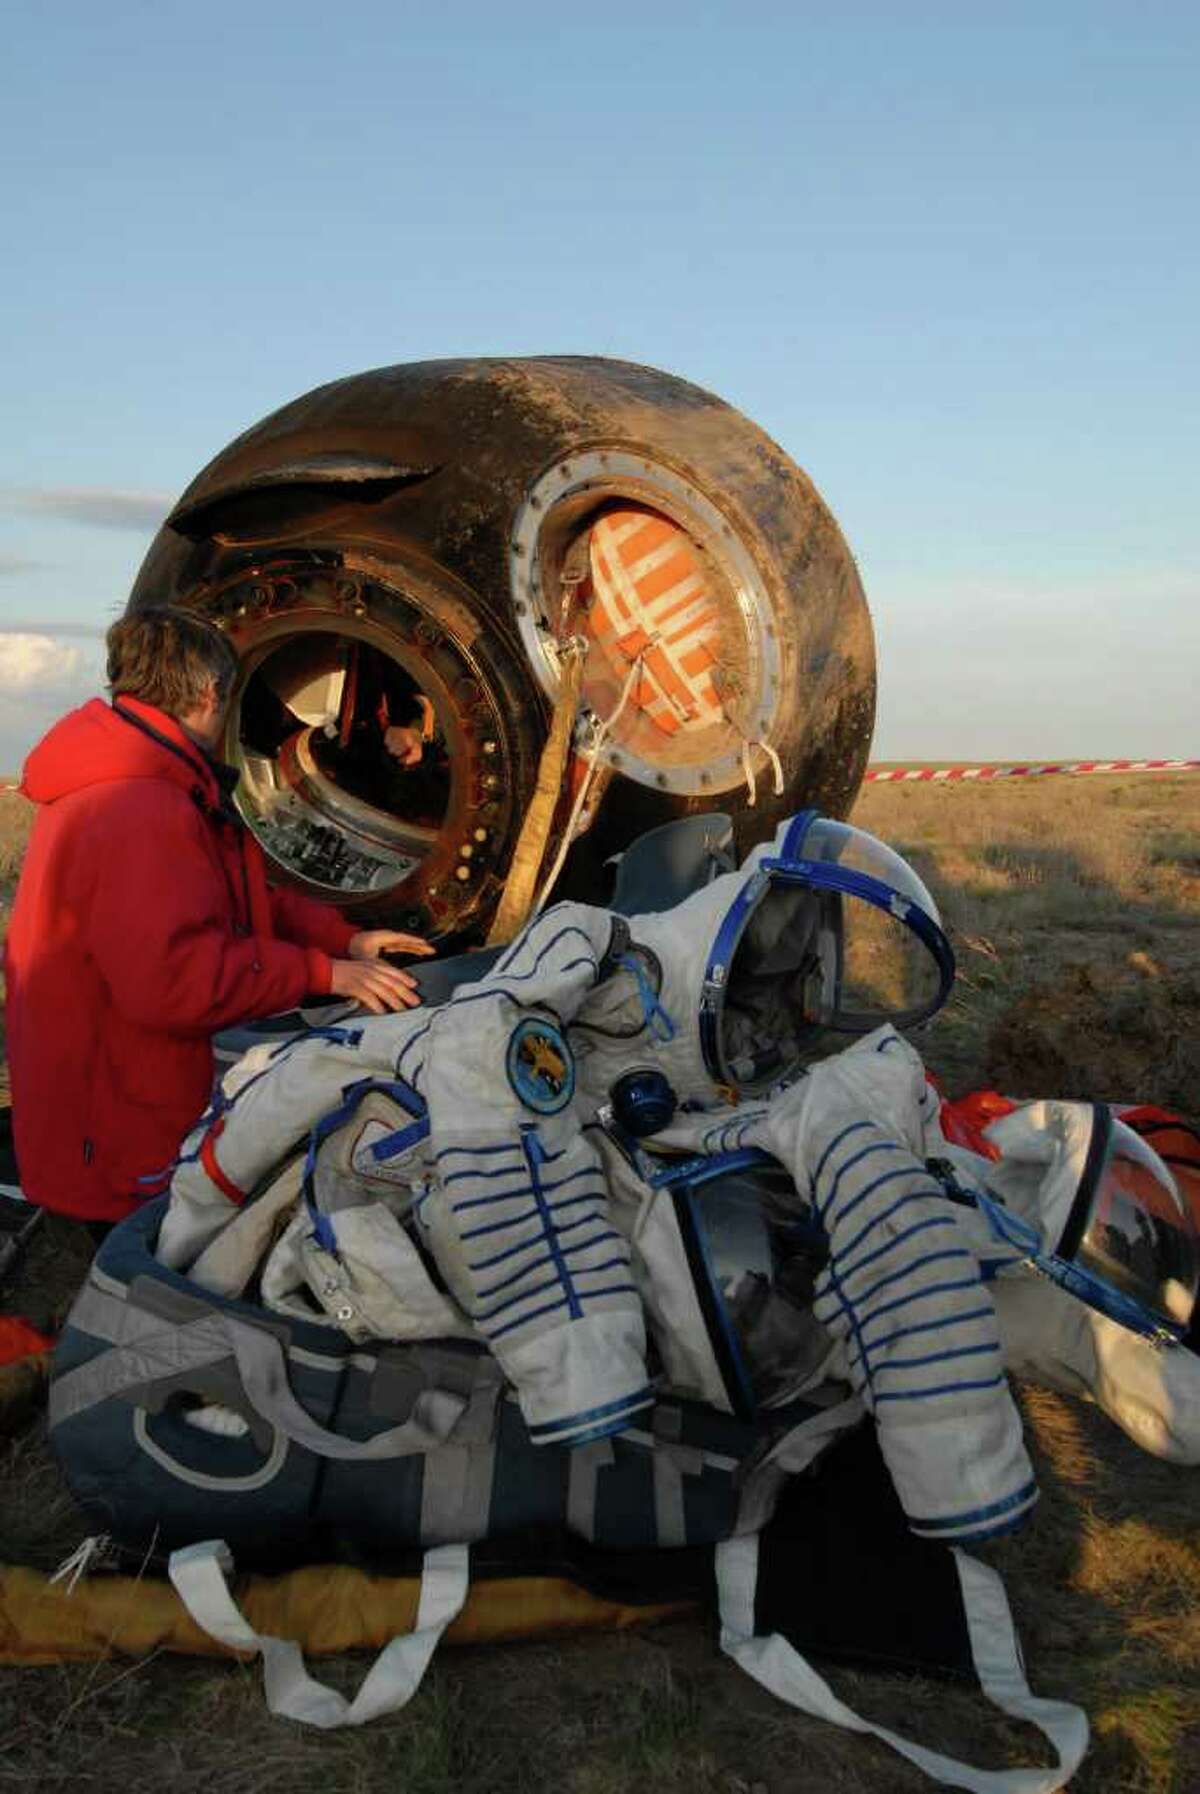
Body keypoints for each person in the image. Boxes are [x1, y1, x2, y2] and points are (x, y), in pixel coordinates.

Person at [3, 607, 434, 1227]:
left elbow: (234, 897)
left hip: (109, 1091)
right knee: (140, 1282)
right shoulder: (140, 810)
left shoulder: (140, 780)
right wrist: (324, 974)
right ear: (210, 693)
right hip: (117, 1115)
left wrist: (348, 940)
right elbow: (176, 983)